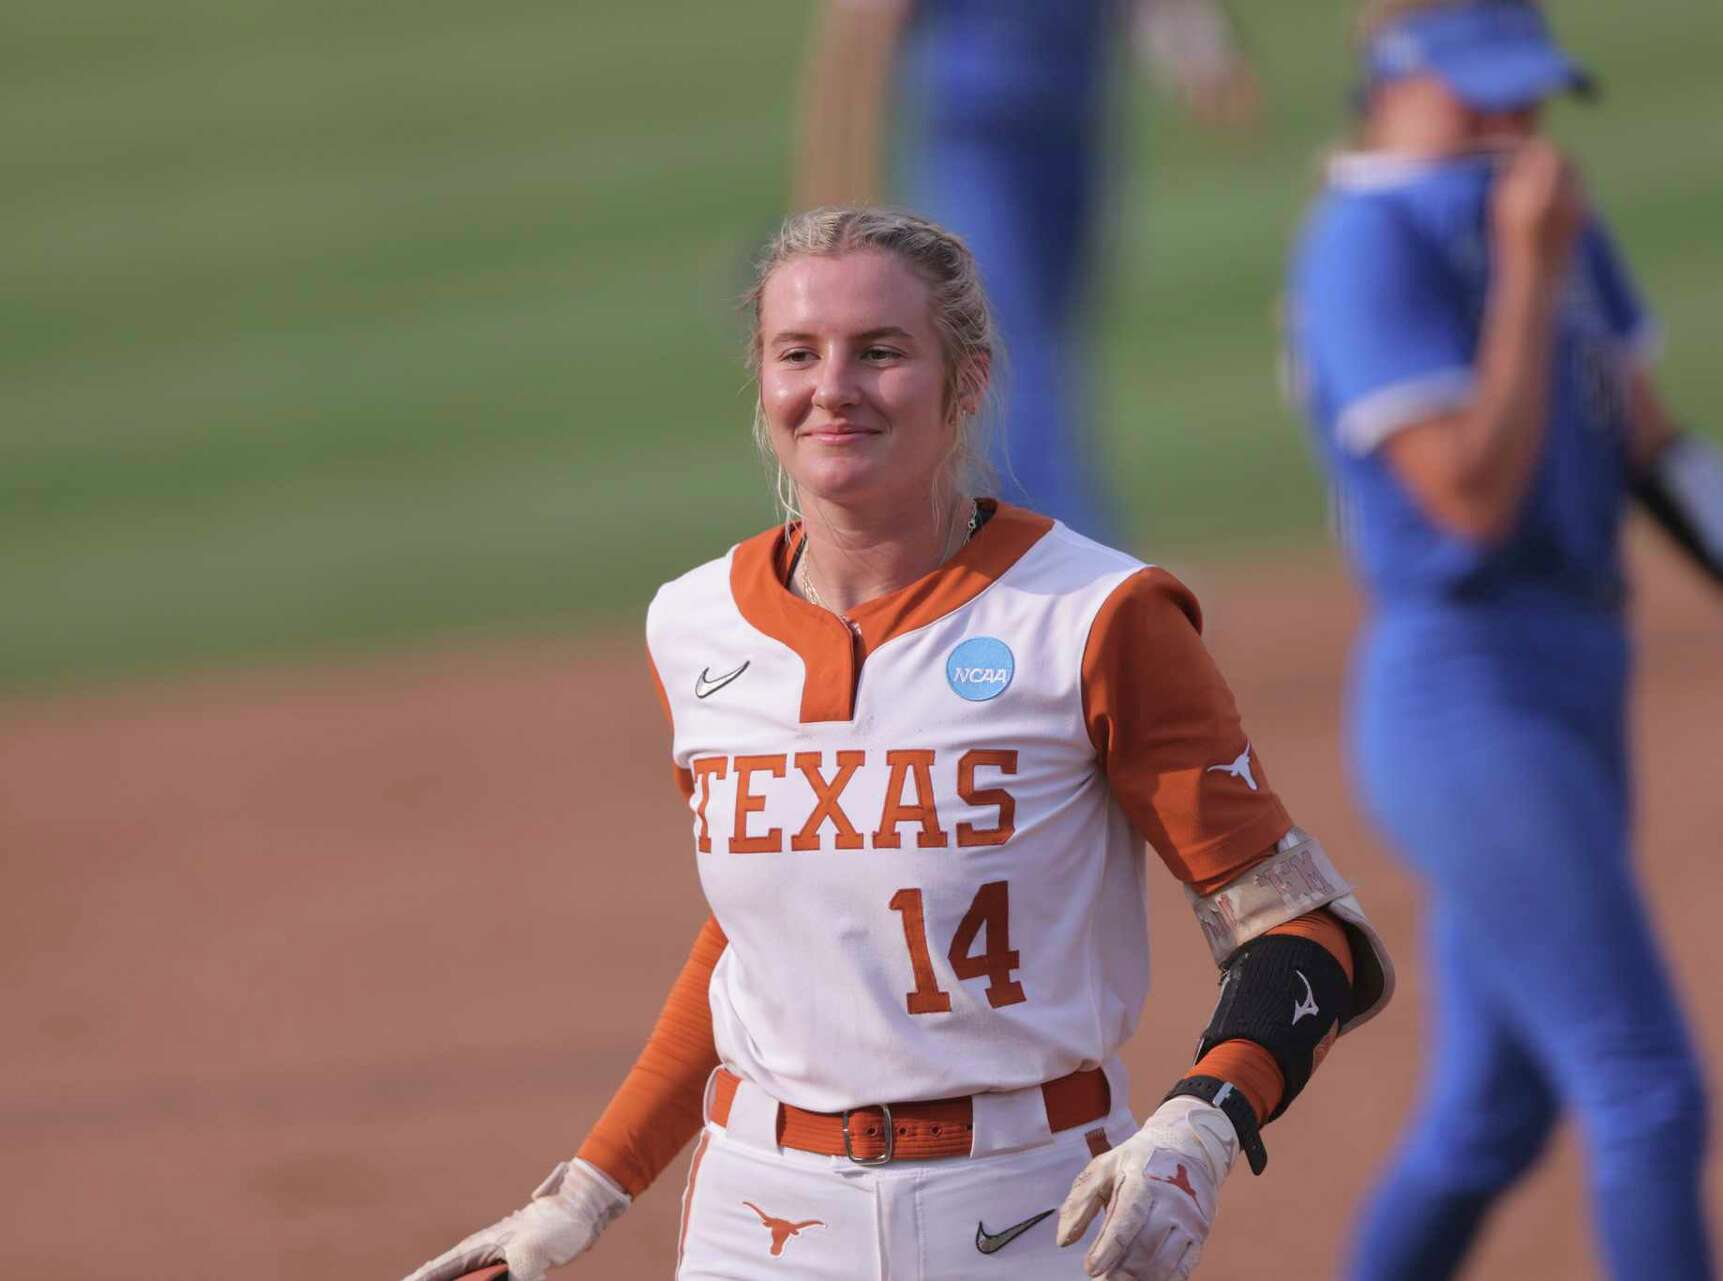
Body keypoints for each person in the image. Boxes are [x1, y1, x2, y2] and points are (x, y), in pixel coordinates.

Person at [400, 207, 1392, 1281]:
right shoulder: (694, 627)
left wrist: (1208, 1114)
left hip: (1035, 1208)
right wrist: (586, 1194)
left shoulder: (1093, 617)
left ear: (965, 382)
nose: (833, 388)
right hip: (761, 1218)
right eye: (798, 353)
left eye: (881, 352)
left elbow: (1297, 934)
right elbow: (758, 946)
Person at [1285, 2, 1723, 1277]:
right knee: (1648, 1089)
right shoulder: (1365, 246)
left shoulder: (1542, 213)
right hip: (1465, 700)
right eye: (1488, 97)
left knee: (1491, 1118)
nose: (1518, 126)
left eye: (1533, 98)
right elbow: (1472, 496)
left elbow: (1651, 440)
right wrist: (1529, 272)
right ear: (1401, 79)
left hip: (1578, 685)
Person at [794, 0, 1263, 545]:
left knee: (1051, 346)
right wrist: (831, 196)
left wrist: (1202, 55)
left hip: (1072, 133)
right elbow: (864, 29)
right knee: (1012, 348)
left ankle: (1002, 546)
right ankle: (1065, 555)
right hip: (977, 145)